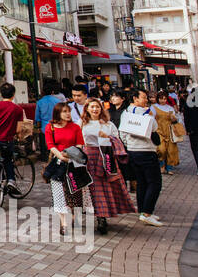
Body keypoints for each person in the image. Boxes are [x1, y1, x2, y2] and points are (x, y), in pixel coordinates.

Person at [80, 98, 134, 233]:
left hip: (106, 156)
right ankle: (100, 216)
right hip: (89, 157)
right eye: (92, 107)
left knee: (107, 186)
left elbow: (117, 141)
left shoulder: (108, 124)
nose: (95, 109)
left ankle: (103, 215)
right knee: (94, 188)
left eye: (97, 107)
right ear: (87, 109)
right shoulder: (81, 124)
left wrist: (107, 137)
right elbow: (78, 142)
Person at [120, 88, 164, 226]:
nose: (146, 100)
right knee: (155, 182)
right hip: (146, 151)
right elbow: (154, 127)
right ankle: (147, 213)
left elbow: (122, 133)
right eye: (144, 97)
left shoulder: (125, 113)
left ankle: (143, 210)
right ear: (135, 99)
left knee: (142, 182)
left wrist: (129, 145)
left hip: (132, 152)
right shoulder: (146, 113)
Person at [43, 102, 85, 235]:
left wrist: (72, 156)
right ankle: (64, 223)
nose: (68, 114)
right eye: (64, 111)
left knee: (75, 192)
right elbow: (50, 145)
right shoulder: (50, 127)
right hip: (58, 163)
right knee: (58, 193)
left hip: (74, 162)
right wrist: (61, 156)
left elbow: (79, 145)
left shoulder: (75, 127)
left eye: (68, 111)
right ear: (58, 113)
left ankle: (74, 217)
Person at [34, 80, 63, 159]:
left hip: (44, 126)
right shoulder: (58, 101)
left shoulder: (39, 102)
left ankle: (44, 156)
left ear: (43, 92)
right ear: (52, 92)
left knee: (44, 142)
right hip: (56, 125)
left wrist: (37, 125)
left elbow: (37, 116)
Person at [153, 92, 181, 175]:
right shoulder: (153, 108)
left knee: (171, 150)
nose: (163, 100)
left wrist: (173, 118)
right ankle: (161, 163)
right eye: (161, 98)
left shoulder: (170, 108)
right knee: (161, 149)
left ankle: (169, 167)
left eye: (165, 98)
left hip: (170, 131)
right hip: (159, 130)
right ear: (158, 99)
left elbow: (176, 119)